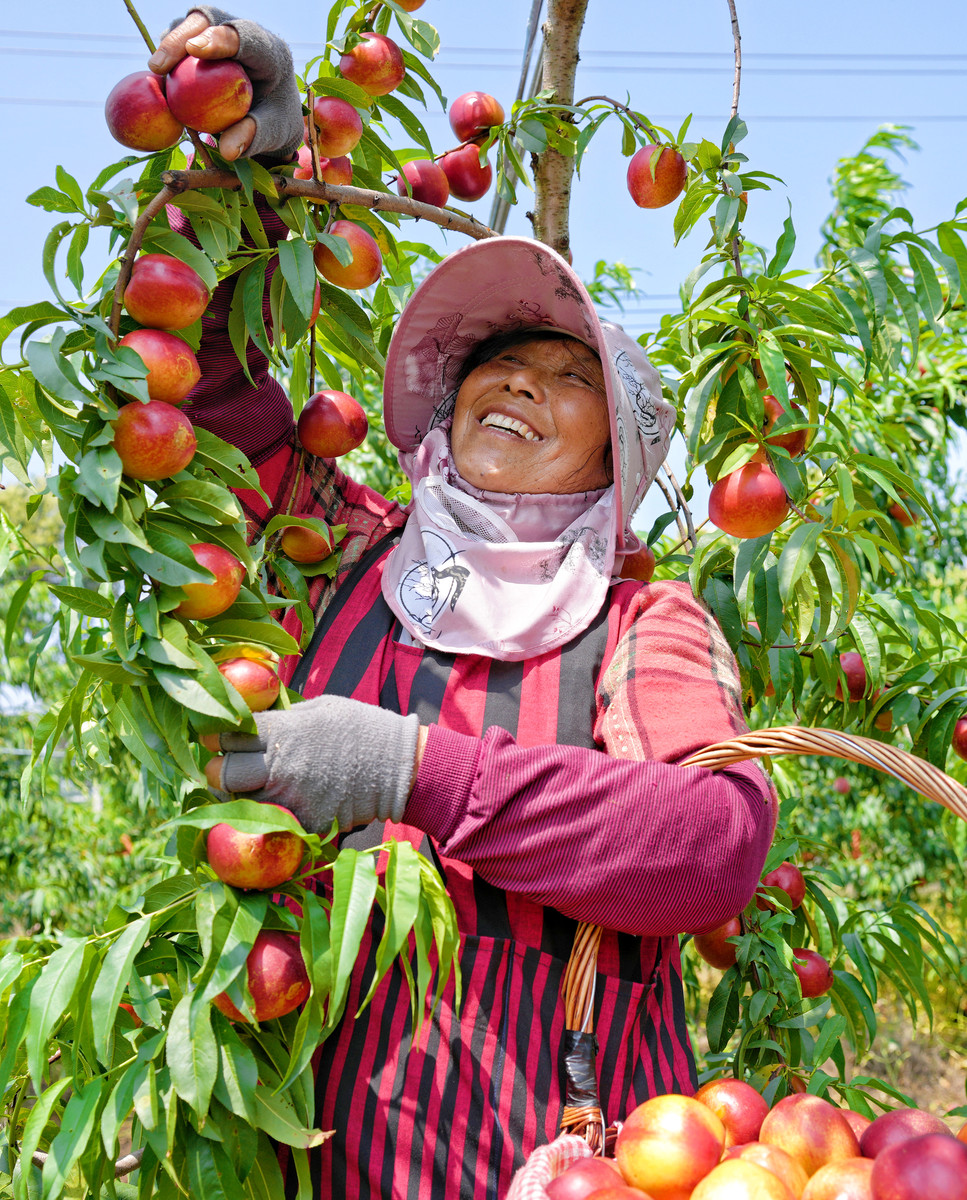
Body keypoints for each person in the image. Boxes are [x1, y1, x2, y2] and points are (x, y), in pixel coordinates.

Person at [152, 11, 777, 1197]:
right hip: (323, 1159)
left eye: (568, 378)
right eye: (500, 362)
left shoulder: (643, 623)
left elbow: (713, 845)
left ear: (615, 468)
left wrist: (413, 773)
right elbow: (195, 390)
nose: (521, 384)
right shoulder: (344, 551)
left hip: (561, 1168)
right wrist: (233, 169)